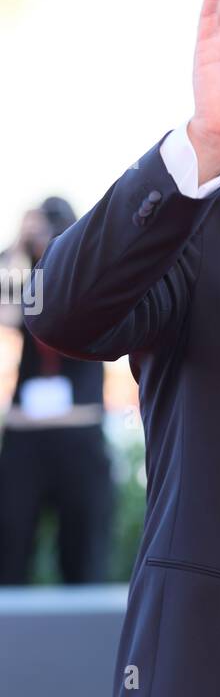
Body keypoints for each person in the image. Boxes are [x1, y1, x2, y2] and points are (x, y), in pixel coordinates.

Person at [0, 198, 114, 584]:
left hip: (78, 430)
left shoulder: (87, 270)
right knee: (10, 552)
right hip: (25, 433)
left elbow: (86, 313)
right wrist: (18, 248)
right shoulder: (19, 274)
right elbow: (8, 313)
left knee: (83, 556)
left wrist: (57, 251)